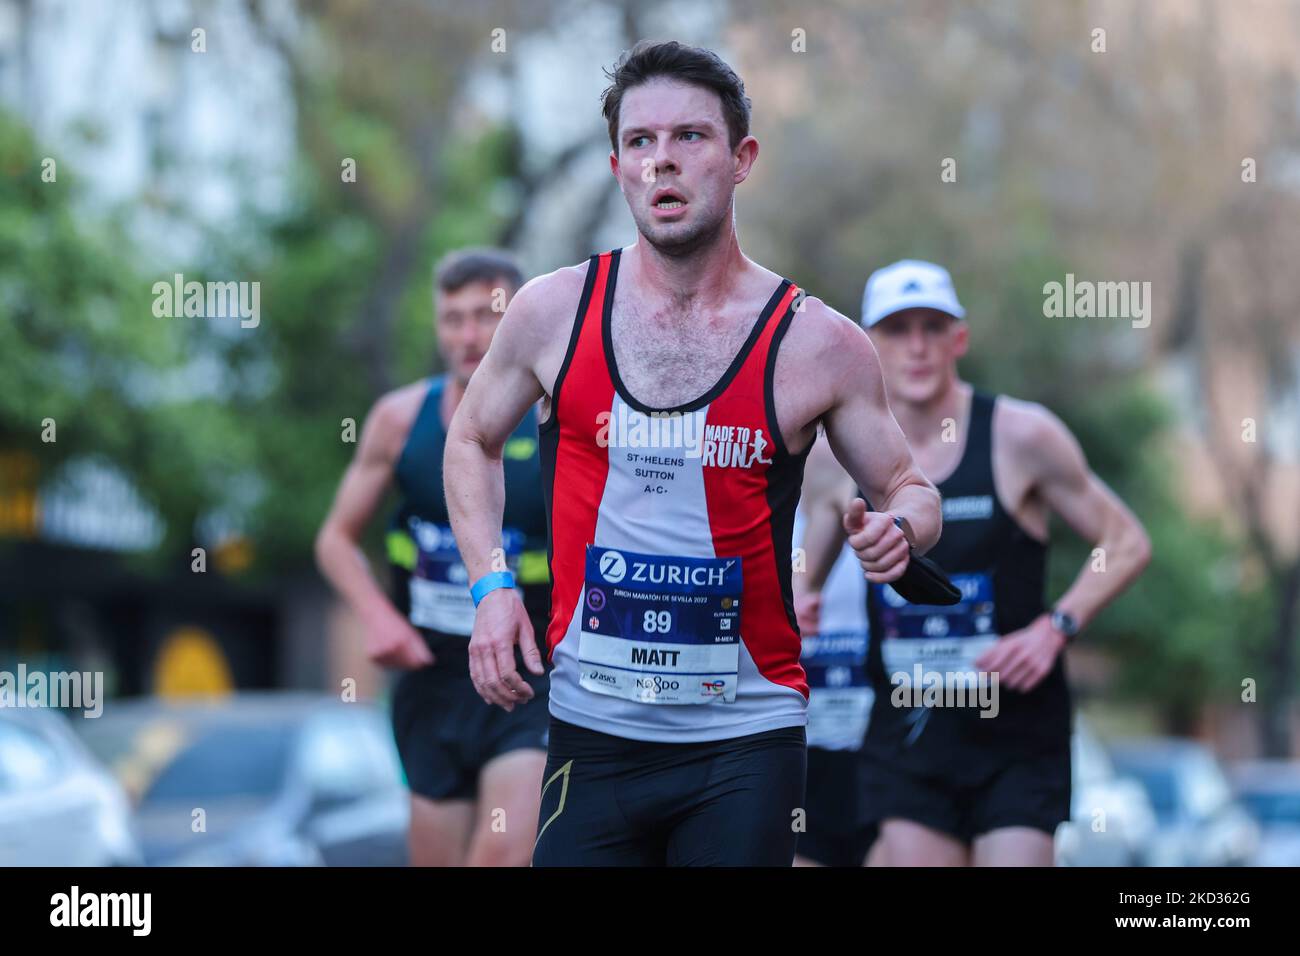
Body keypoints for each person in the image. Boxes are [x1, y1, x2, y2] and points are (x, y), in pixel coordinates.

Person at [443, 40, 942, 867]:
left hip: (745, 740)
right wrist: (493, 586)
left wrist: (906, 530)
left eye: (690, 138)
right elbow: (472, 439)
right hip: (590, 733)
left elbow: (907, 484)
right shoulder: (551, 312)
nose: (662, 162)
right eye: (641, 142)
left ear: (741, 158)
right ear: (616, 165)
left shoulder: (817, 344)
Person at [801, 259, 1152, 866]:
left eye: (932, 327)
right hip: (908, 732)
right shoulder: (835, 459)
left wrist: (1056, 627)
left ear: (958, 338)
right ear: (866, 343)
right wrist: (799, 597)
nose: (916, 347)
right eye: (896, 329)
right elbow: (804, 580)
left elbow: (1124, 542)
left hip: (1013, 729)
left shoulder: (1022, 435)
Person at [314, 248, 550, 867]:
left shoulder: (556, 418)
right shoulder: (398, 419)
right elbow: (335, 539)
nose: (468, 336)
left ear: (518, 317)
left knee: (501, 855)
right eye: (452, 319)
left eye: (485, 315)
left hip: (529, 680)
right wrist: (376, 616)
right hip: (431, 678)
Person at [791, 434, 878, 867]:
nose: (827, 447)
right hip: (796, 755)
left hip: (875, 752)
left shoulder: (881, 527)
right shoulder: (761, 527)